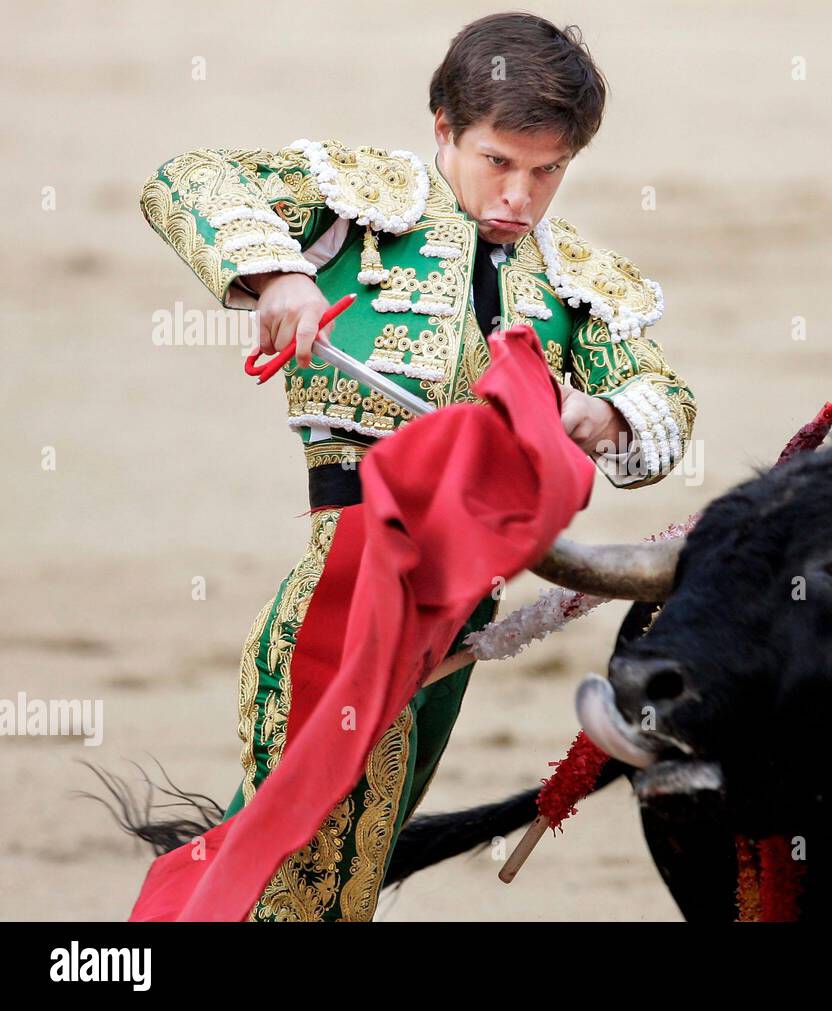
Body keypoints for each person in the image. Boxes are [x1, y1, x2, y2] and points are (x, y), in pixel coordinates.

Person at [138, 11, 696, 921]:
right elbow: (186, 180)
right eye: (497, 161)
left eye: (547, 170)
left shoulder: (574, 281)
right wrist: (275, 274)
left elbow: (666, 405)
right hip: (353, 574)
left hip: (463, 614)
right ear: (443, 127)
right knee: (308, 861)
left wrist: (598, 413)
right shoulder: (362, 208)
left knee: (341, 857)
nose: (519, 194)